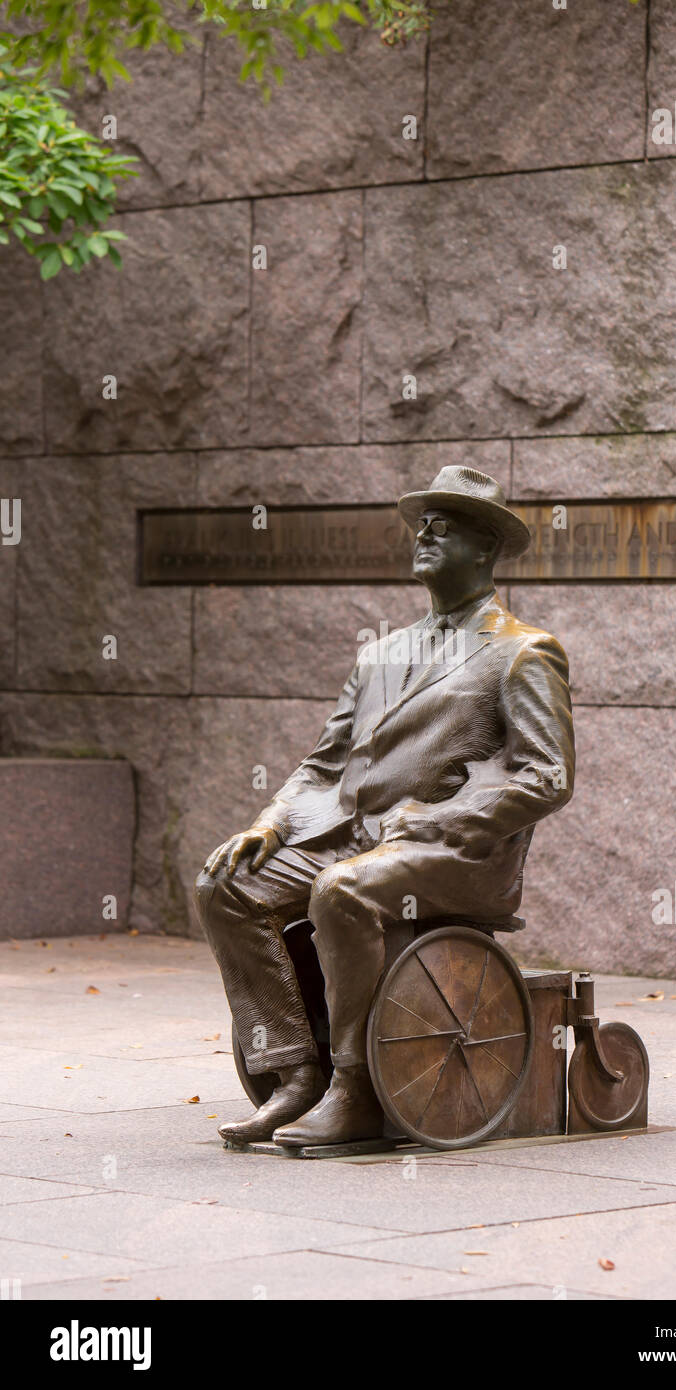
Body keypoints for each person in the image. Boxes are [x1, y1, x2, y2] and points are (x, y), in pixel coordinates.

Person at [193, 466, 575, 1147]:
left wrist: (437, 820)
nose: (424, 532)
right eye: (422, 522)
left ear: (485, 550)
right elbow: (323, 764)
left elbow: (547, 777)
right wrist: (270, 823)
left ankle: (359, 1090)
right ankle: (292, 1072)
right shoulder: (380, 654)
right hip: (354, 836)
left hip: (450, 852)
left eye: (445, 525)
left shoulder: (522, 652)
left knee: (341, 889)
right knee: (224, 885)